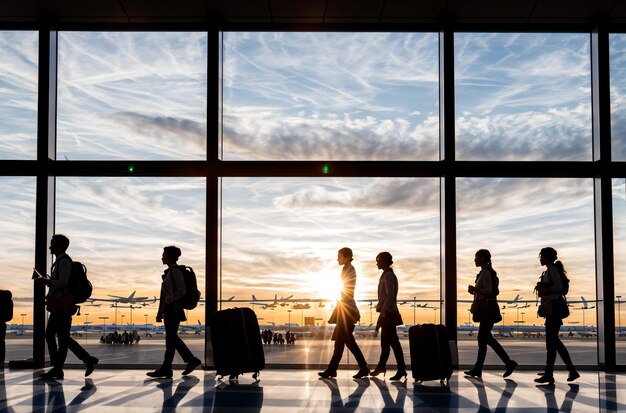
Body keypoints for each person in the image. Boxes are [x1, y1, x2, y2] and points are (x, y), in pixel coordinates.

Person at [40, 234, 98, 380]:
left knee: (56, 337)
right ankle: (85, 360)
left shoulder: (64, 262)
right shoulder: (61, 262)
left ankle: (58, 368)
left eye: (52, 243)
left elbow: (63, 282)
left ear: (58, 246)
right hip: (61, 304)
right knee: (62, 338)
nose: (50, 246)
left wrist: (49, 283)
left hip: (63, 304)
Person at [147, 246, 201, 378]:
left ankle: (187, 361)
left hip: (174, 310)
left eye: (164, 254)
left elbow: (181, 291)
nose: (162, 257)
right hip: (170, 310)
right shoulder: (169, 272)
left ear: (170, 256)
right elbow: (165, 294)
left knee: (171, 339)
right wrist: (160, 311)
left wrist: (168, 302)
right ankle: (170, 367)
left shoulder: (175, 271)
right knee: (171, 340)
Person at [464, 249, 517, 379]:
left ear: (482, 258)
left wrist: (474, 289)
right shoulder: (490, 273)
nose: (474, 260)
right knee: (485, 339)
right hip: (488, 309)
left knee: (484, 339)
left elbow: (488, 291)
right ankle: (481, 368)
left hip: (486, 310)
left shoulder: (486, 272)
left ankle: (506, 363)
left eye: (476, 258)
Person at [319, 247, 370, 379]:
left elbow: (348, 290)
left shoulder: (349, 269)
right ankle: (333, 369)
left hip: (346, 309)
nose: (338, 259)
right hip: (345, 307)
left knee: (347, 342)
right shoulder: (346, 269)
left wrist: (342, 303)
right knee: (341, 343)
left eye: (339, 256)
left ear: (347, 257)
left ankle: (362, 367)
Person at [534, 247, 579, 384]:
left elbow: (559, 288)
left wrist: (544, 289)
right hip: (551, 310)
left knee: (553, 343)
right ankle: (553, 372)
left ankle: (561, 372)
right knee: (553, 343)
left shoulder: (552, 270)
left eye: (541, 256)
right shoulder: (550, 270)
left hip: (553, 309)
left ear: (547, 257)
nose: (540, 259)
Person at [370, 252, 407, 380]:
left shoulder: (388, 276)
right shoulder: (386, 275)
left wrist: (383, 313)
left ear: (384, 261)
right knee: (385, 343)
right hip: (386, 313)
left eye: (378, 260)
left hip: (388, 314)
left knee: (393, 343)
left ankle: (401, 369)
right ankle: (382, 366)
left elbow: (390, 296)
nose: (377, 263)